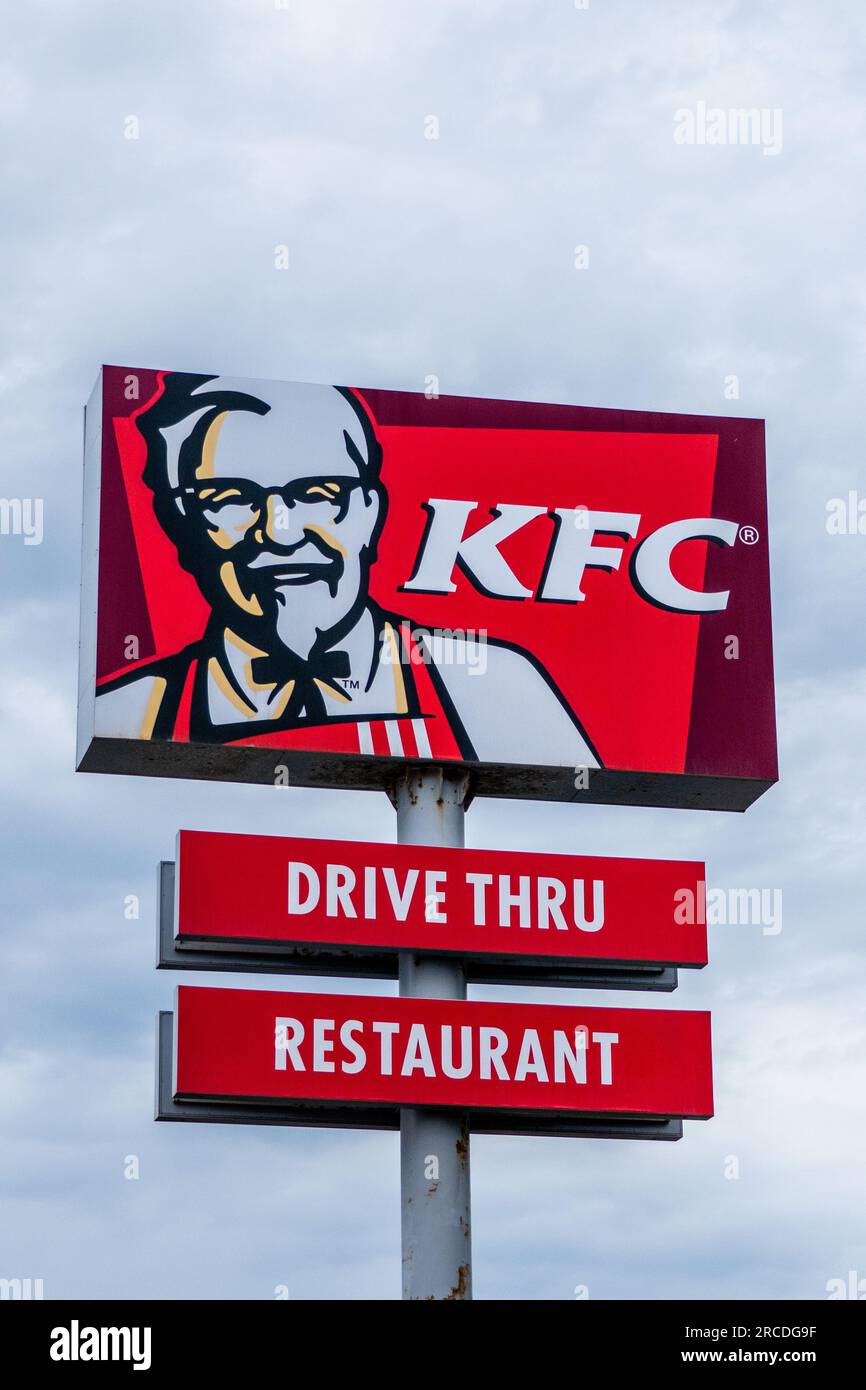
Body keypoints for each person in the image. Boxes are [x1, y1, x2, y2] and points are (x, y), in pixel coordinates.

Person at [95, 373, 599, 767]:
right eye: (231, 498)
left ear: (369, 511)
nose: (281, 531)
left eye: (317, 495)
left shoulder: (490, 684)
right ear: (182, 526)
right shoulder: (135, 709)